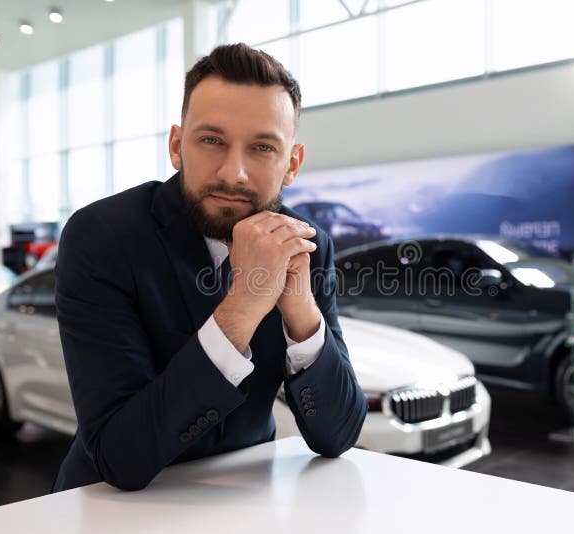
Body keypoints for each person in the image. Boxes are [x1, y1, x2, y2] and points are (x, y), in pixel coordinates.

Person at [52, 43, 367, 492]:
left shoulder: (306, 245)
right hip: (111, 510)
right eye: (212, 141)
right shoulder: (102, 237)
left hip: (247, 505)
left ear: (291, 164)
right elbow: (120, 456)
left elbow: (337, 435)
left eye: (261, 147)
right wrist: (243, 307)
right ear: (178, 146)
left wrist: (299, 309)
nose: (233, 173)